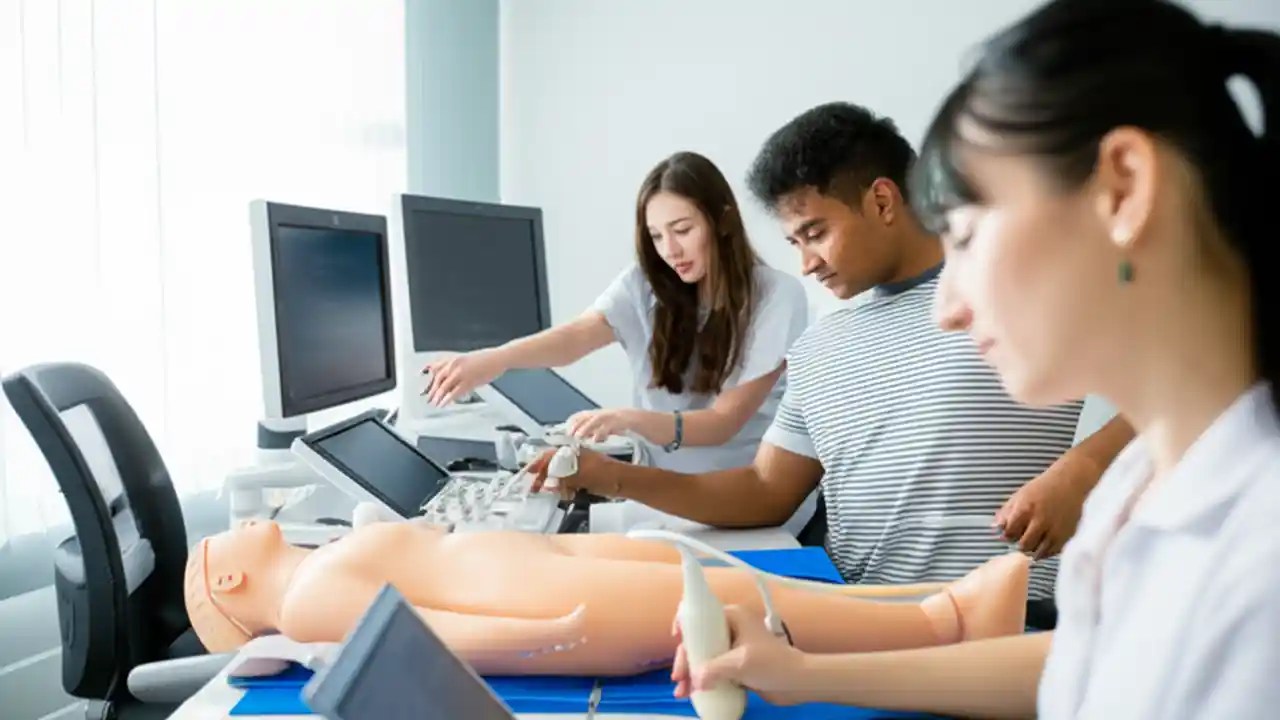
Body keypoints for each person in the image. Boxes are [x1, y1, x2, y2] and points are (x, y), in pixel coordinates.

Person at [669, 1, 1280, 717]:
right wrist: (803, 673)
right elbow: (1078, 664)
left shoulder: (1257, 557)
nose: (947, 309)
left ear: (1123, 189)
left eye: (964, 235)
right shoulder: (1136, 491)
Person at [533, 102, 1135, 620]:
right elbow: (765, 490)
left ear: (882, 200)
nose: (806, 264)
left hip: (997, 620)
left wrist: (1083, 469)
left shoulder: (1022, 285)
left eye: (816, 233)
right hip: (853, 615)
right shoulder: (821, 347)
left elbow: (1194, 366)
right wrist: (610, 477)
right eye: (794, 242)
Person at [184, 519, 1033, 676]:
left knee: (738, 584)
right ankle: (948, 624)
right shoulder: (308, 600)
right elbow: (424, 636)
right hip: (538, 594)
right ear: (227, 582)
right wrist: (547, 637)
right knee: (728, 602)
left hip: (544, 561)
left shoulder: (323, 560)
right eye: (224, 539)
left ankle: (930, 598)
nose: (242, 523)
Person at [422, 151, 809, 474]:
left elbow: (723, 423)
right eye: (656, 236)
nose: (670, 250)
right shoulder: (644, 283)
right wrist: (496, 359)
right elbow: (577, 337)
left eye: (682, 230)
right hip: (660, 488)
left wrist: (629, 419)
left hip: (738, 494)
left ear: (723, 221)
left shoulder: (778, 296)